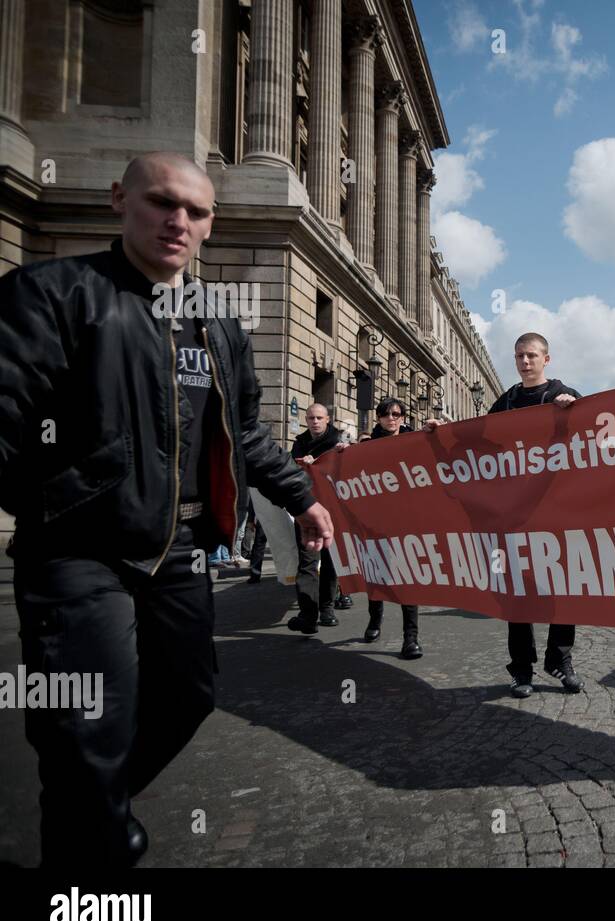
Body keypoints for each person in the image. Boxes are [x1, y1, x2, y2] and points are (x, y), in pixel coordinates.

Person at [0, 152, 331, 867]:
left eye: (196, 210)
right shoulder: (52, 292)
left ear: (211, 224)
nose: (178, 221)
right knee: (84, 725)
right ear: (121, 199)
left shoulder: (219, 324)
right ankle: (90, 869)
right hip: (78, 553)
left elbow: (245, 432)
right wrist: (62, 500)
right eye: (161, 202)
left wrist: (301, 496)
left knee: (188, 697)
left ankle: (98, 808)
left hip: (179, 550)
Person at [485, 333, 585, 697]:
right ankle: (522, 668)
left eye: (531, 356)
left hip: (556, 510)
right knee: (518, 592)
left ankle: (559, 659)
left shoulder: (563, 393)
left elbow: (589, 435)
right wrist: (436, 432)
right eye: (518, 357)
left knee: (563, 587)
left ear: (546, 359)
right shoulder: (507, 401)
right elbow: (476, 439)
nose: (524, 362)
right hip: (515, 513)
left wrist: (573, 408)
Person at [358, 397, 423, 659]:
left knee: (407, 578)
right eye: (386, 414)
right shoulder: (365, 446)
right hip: (375, 519)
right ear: (379, 418)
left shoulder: (416, 442)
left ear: (403, 417)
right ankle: (375, 619)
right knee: (377, 572)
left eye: (397, 413)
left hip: (406, 519)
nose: (392, 418)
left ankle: (411, 638)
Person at [286, 403, 346, 635]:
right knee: (308, 563)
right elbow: (290, 473)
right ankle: (308, 614)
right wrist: (302, 466)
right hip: (307, 510)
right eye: (311, 418)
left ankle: (327, 608)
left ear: (327, 419)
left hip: (332, 511)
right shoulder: (299, 444)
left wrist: (339, 456)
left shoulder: (337, 443)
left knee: (331, 562)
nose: (315, 422)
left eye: (319, 418)